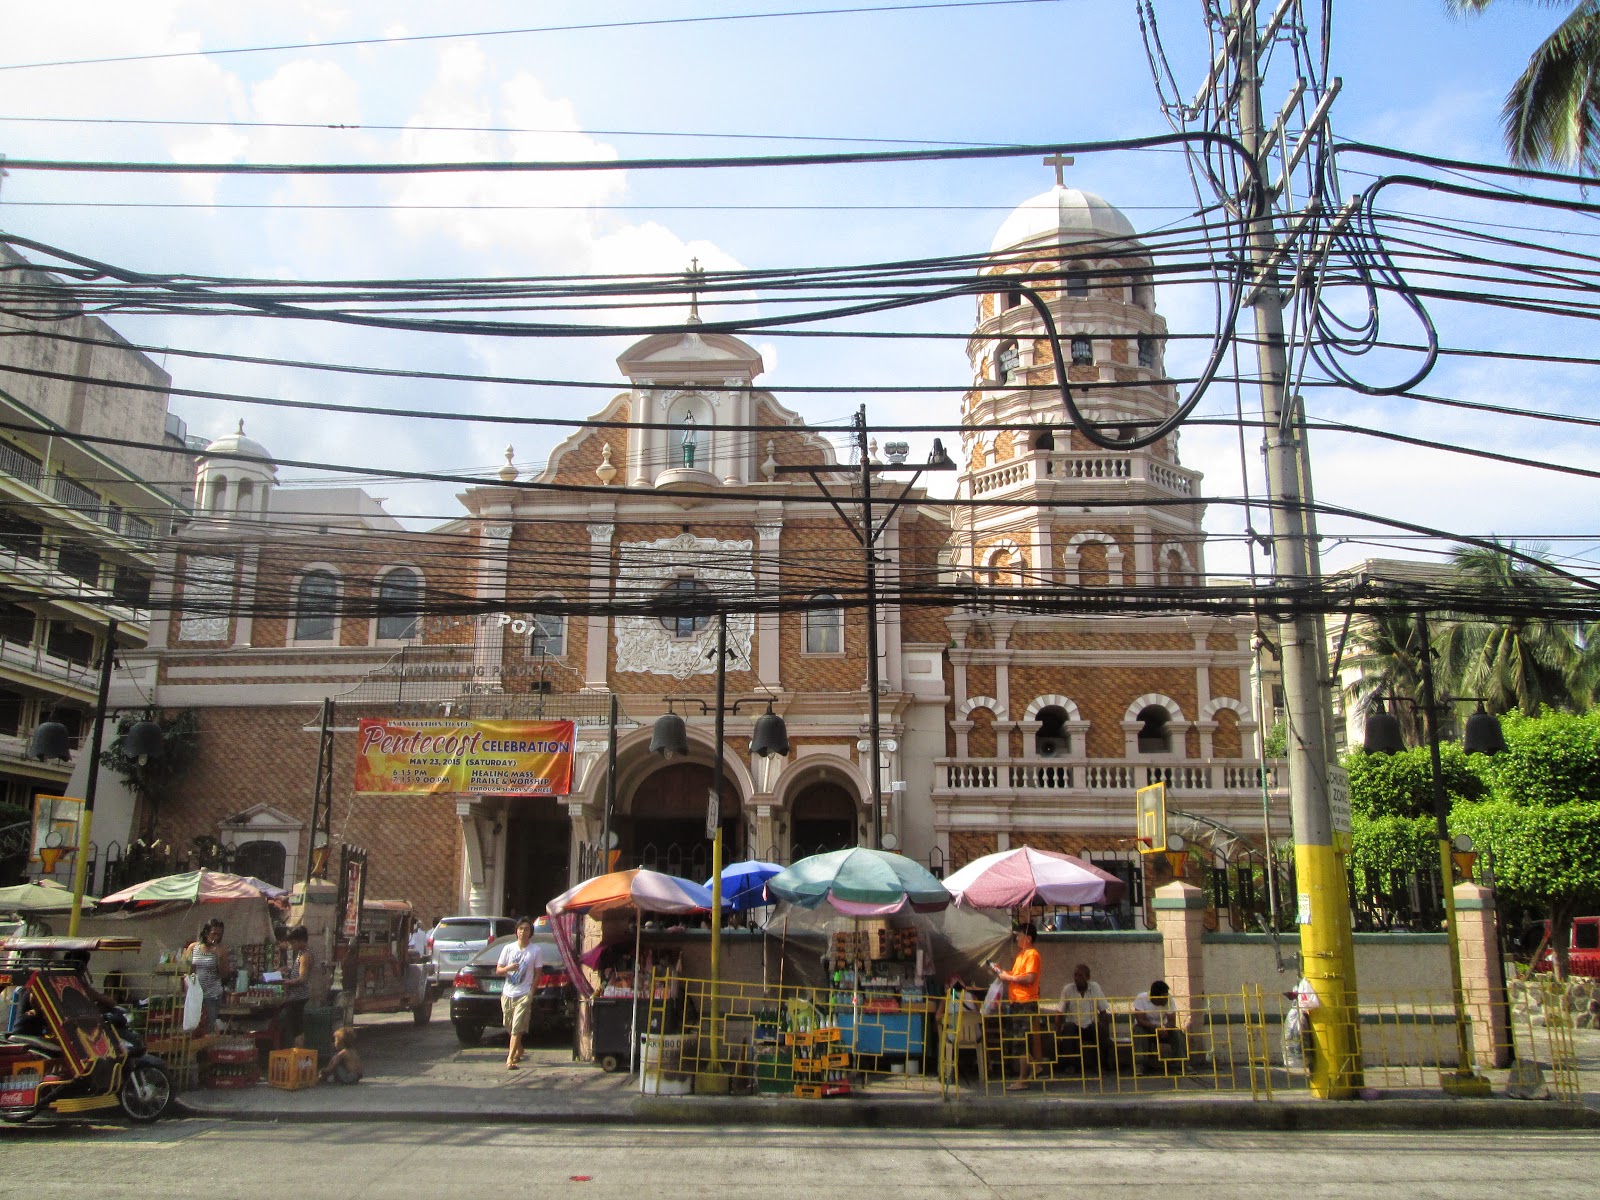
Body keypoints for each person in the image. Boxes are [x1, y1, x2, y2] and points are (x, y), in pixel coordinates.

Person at [989, 921, 1042, 1091]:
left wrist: (1009, 978)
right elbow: (1016, 975)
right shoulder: (1020, 955)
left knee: (1021, 1041)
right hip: (1016, 1001)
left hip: (1026, 1002)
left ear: (1028, 938)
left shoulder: (1032, 955)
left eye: (1019, 935)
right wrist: (1001, 972)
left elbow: (1029, 978)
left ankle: (1023, 1079)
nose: (1016, 938)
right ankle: (1034, 1067)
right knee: (1018, 1040)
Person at [496, 917, 542, 1070]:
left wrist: (531, 993)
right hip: (508, 993)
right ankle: (519, 1048)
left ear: (531, 932)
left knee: (517, 1026)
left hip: (523, 993)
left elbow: (537, 974)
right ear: (516, 931)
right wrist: (508, 968)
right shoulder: (508, 948)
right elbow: (499, 970)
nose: (523, 932)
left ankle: (510, 1058)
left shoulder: (535, 951)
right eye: (521, 928)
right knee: (508, 1025)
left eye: (526, 929)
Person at [1058, 962, 1111, 1074]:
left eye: (1080, 975)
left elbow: (1103, 1011)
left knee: (1100, 1030)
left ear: (1087, 977)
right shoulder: (1067, 989)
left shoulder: (1095, 987)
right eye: (1075, 975)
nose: (1077, 978)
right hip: (1074, 1025)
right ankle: (1070, 1065)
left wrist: (1106, 1032)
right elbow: (1060, 1012)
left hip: (1089, 1024)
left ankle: (1100, 1065)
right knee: (1068, 1029)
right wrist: (1056, 1032)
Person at [1132, 979, 1188, 1074]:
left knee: (1178, 1033)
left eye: (1166, 997)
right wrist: (1155, 1027)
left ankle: (1182, 1065)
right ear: (1155, 997)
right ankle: (1139, 1065)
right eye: (1163, 999)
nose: (1166, 1000)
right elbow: (1140, 1020)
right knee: (1138, 1031)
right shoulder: (1141, 998)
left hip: (1164, 1028)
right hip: (1146, 1028)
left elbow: (1172, 1020)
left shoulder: (1169, 999)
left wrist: (1165, 1028)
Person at [185, 919, 230, 1035]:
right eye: (213, 933)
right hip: (196, 994)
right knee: (193, 1025)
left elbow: (225, 975)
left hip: (212, 994)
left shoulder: (221, 951)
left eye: (219, 935)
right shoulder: (194, 947)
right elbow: (186, 969)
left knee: (209, 1025)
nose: (216, 937)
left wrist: (219, 957)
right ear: (206, 933)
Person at [280, 925, 313, 1050]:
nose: (292, 945)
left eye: (293, 942)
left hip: (298, 997)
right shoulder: (300, 954)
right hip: (295, 996)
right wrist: (286, 970)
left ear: (301, 941)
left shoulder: (305, 955)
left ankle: (298, 1054)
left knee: (297, 1029)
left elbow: (302, 978)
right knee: (295, 1028)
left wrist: (287, 982)